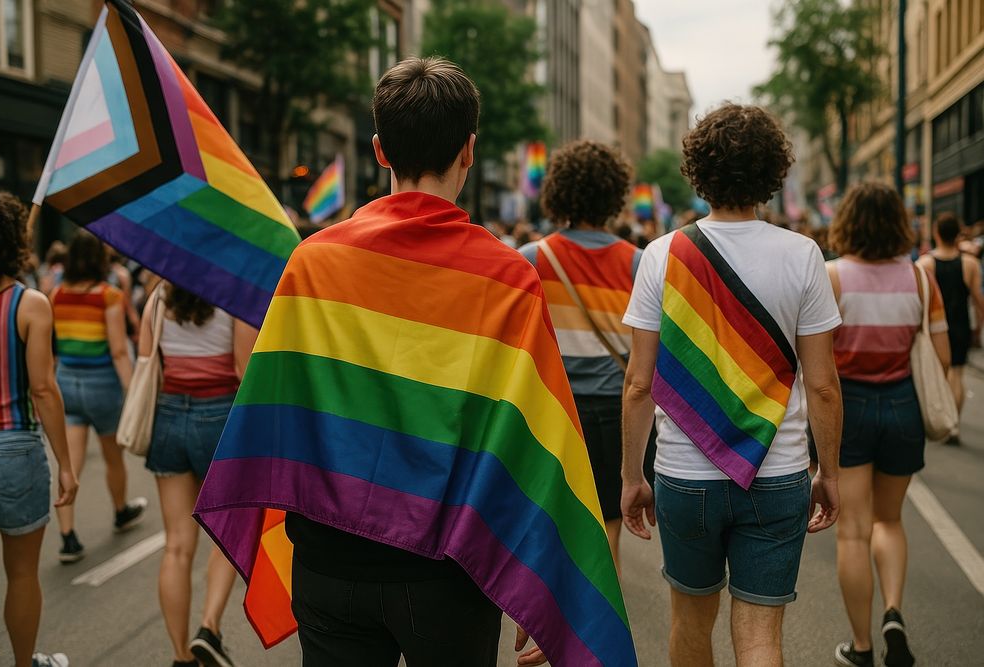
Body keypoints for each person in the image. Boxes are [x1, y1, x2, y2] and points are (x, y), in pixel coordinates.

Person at [195, 57, 636, 667]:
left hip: (328, 561)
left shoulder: (313, 264)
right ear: (469, 150)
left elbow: (275, 411)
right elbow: (534, 440)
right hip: (448, 570)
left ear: (379, 149)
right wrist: (548, 590)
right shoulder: (508, 279)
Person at [621, 103, 843, 667]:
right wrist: (830, 472)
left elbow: (639, 384)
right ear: (773, 171)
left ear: (699, 171)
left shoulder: (661, 256)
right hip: (778, 473)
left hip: (683, 476)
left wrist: (631, 476)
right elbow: (822, 387)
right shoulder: (803, 255)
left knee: (690, 623)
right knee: (761, 638)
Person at [828, 182, 950, 667]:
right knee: (890, 520)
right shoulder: (921, 279)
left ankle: (860, 648)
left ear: (848, 221)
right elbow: (940, 356)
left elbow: (815, 362)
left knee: (853, 530)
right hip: (902, 404)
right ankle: (894, 612)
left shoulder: (832, 276)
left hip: (850, 407)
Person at [520, 140, 652, 571]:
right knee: (607, 527)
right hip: (616, 411)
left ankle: (553, 626)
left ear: (558, 191)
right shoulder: (637, 263)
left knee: (556, 522)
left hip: (554, 408)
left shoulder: (532, 260)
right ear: (615, 194)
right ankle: (599, 627)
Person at [0, 189, 79, 667]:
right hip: (15, 448)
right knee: (21, 573)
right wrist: (66, 464)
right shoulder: (29, 304)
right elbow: (43, 389)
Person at [139, 284, 254, 667]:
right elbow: (243, 369)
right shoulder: (231, 294)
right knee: (228, 534)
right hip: (218, 417)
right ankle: (209, 628)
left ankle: (180, 656)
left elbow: (146, 360)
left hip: (169, 416)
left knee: (176, 545)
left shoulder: (158, 296)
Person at [50, 231, 145, 563]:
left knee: (69, 463)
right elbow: (119, 350)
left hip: (66, 384)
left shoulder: (55, 294)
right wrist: (133, 391)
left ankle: (68, 537)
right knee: (112, 456)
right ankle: (120, 510)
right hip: (102, 384)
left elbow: (54, 345)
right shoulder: (108, 295)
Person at [917, 213, 984, 444]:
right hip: (960, 324)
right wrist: (979, 327)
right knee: (957, 374)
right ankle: (954, 424)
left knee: (938, 373)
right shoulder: (970, 264)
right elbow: (977, 298)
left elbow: (921, 301)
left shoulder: (925, 263)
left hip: (935, 327)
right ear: (957, 235)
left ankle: (939, 416)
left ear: (936, 233)